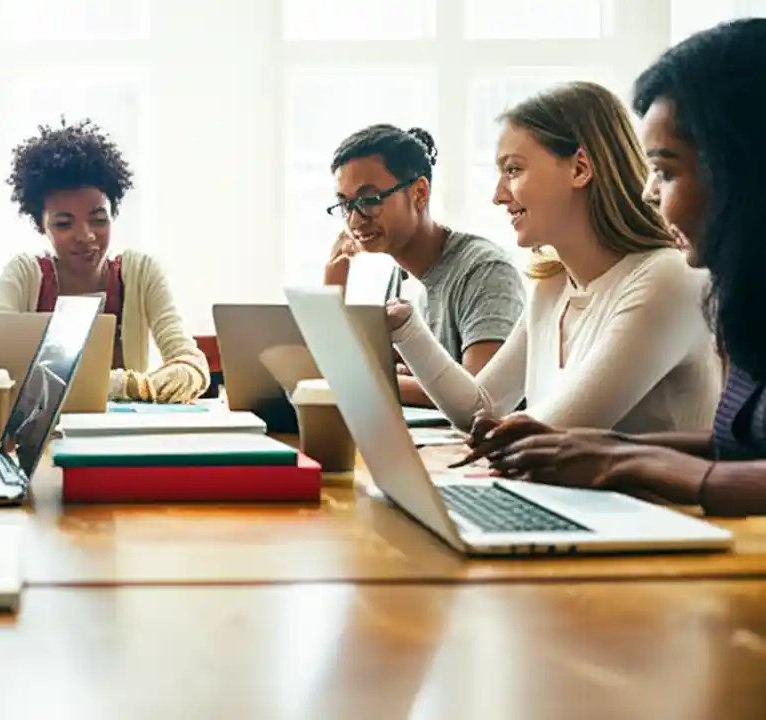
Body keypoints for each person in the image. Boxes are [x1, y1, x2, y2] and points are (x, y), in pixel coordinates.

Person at [484, 19, 766, 516]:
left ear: (741, 170)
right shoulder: (747, 300)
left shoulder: (669, 279)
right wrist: (613, 450)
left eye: (666, 171)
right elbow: (743, 448)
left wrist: (633, 461)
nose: (649, 192)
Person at [388, 81, 720, 437]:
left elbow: (545, 435)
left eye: (513, 170)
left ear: (580, 169)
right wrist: (405, 326)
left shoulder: (667, 278)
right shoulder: (552, 286)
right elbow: (481, 409)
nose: (498, 196)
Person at [0, 118, 209, 404]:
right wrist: (130, 385)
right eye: (64, 224)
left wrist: (183, 373)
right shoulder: (24, 275)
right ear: (41, 225)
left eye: (98, 220)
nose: (85, 236)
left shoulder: (141, 272)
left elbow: (191, 363)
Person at [323, 125, 524, 406]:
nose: (355, 220)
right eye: (346, 205)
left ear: (419, 193)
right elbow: (362, 364)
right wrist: (334, 287)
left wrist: (367, 379)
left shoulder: (485, 270)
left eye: (369, 200)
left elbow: (481, 397)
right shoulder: (399, 278)